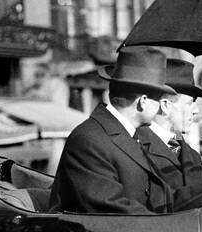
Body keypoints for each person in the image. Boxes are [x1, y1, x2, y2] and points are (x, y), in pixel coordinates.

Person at [50, 47, 176, 214]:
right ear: (143, 101)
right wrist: (171, 228)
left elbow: (160, 197)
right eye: (158, 99)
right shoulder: (89, 140)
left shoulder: (133, 135)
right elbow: (112, 209)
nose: (160, 105)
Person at [136, 56, 202, 211]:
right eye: (190, 103)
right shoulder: (134, 147)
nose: (196, 110)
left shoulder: (191, 155)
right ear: (166, 106)